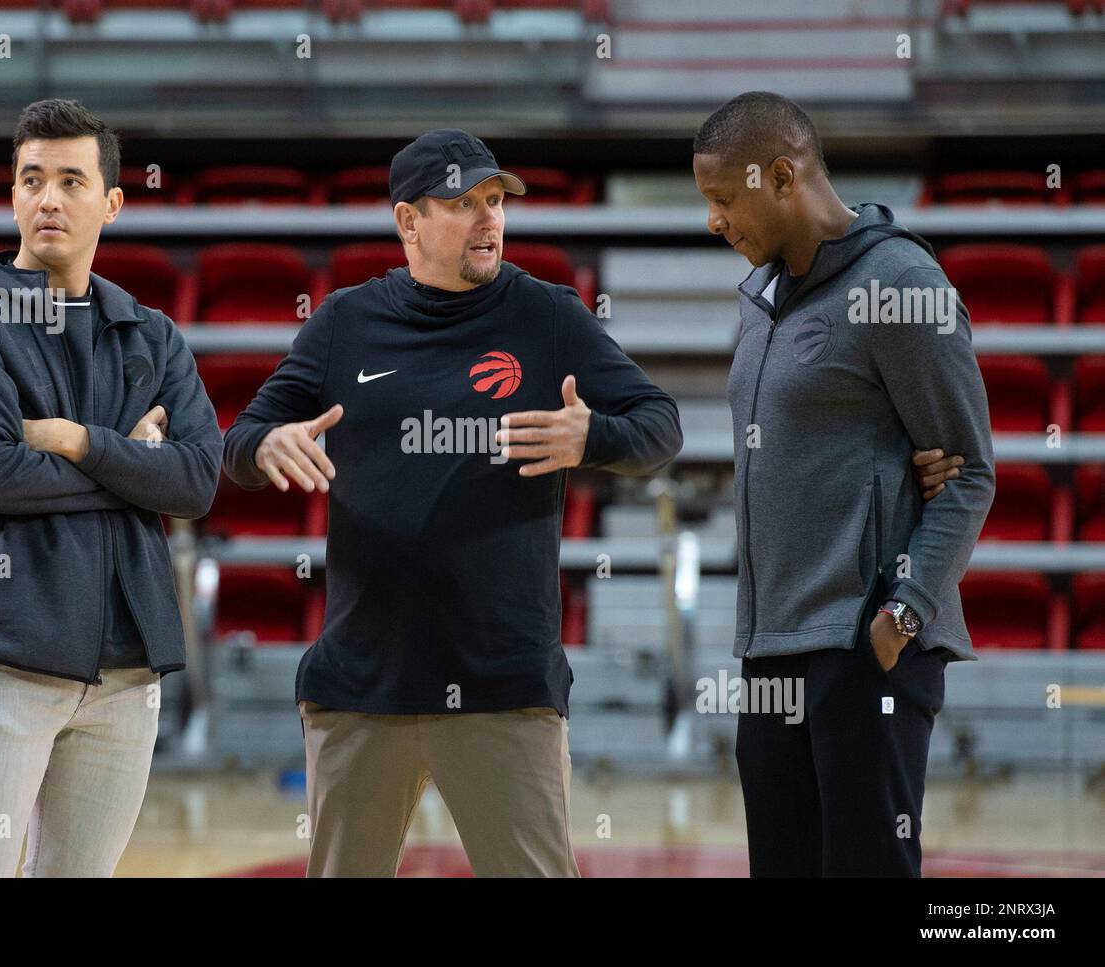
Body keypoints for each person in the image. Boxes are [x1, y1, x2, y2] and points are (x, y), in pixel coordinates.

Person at [224, 129, 683, 877]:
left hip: (504, 683)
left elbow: (660, 425)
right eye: (462, 203)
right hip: (362, 684)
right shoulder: (344, 322)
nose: (488, 218)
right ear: (408, 221)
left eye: (495, 200)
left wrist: (591, 434)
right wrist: (266, 447)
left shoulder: (549, 316)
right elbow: (239, 439)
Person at [0, 98, 221, 876]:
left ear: (111, 202)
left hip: (127, 670)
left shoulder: (151, 334)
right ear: (13, 195)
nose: (49, 198)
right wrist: (129, 465)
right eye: (32, 180)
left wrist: (78, 441)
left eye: (71, 181)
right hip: (1, 656)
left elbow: (195, 479)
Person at [692, 92, 995, 876]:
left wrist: (902, 612)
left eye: (725, 200)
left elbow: (970, 471)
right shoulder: (760, 303)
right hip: (769, 655)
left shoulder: (899, 281)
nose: (715, 222)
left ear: (783, 176)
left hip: (863, 654)